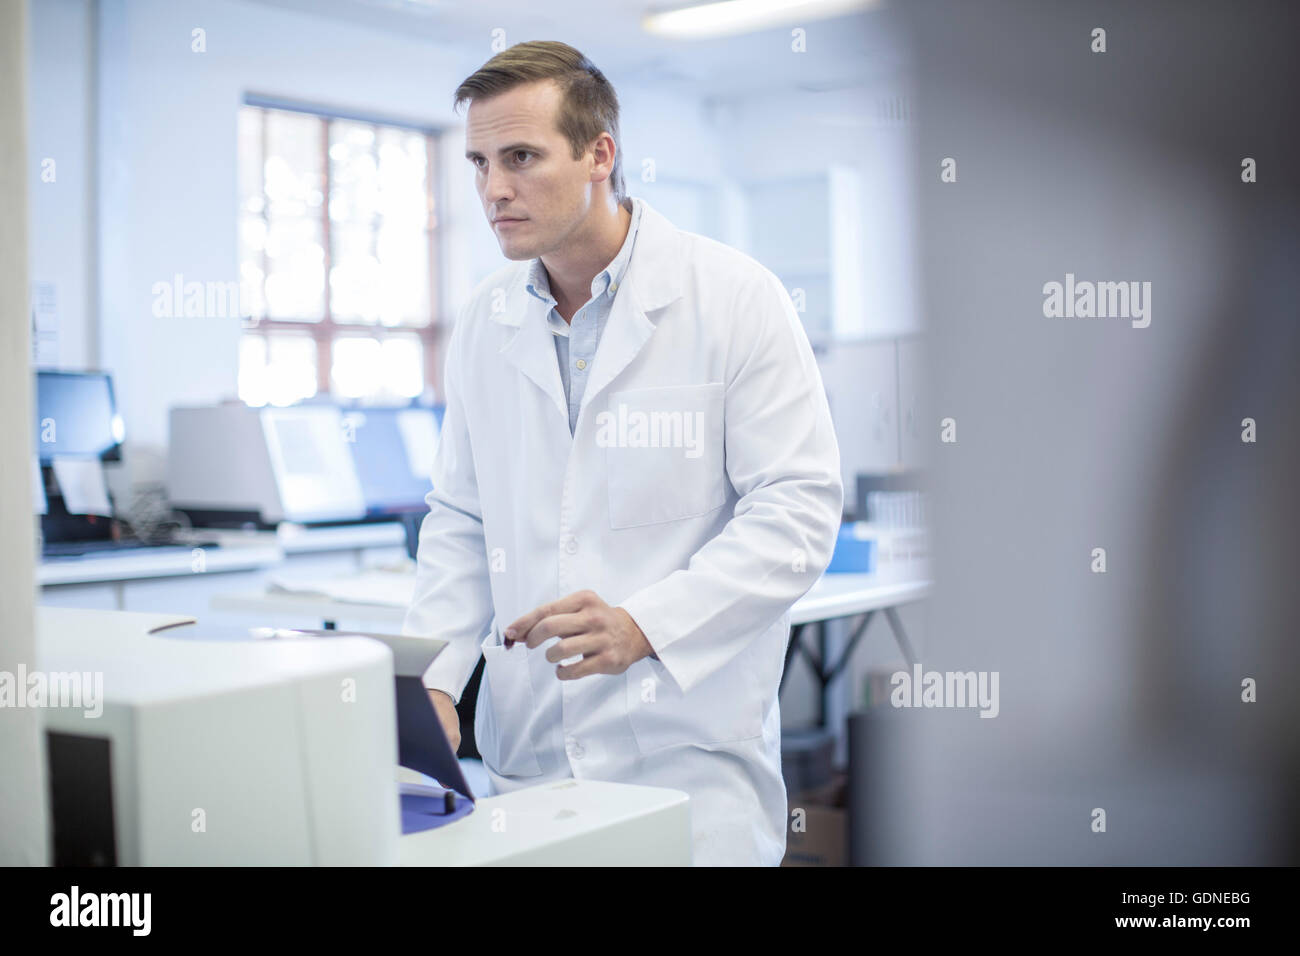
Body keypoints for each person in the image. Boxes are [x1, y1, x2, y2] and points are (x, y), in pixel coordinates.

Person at [402, 40, 842, 866]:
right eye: (480, 162)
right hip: (527, 759)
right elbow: (461, 516)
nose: (494, 189)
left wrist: (648, 623)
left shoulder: (734, 297)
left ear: (600, 154)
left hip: (686, 763)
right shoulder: (485, 321)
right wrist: (434, 672)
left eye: (522, 157)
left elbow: (798, 511)